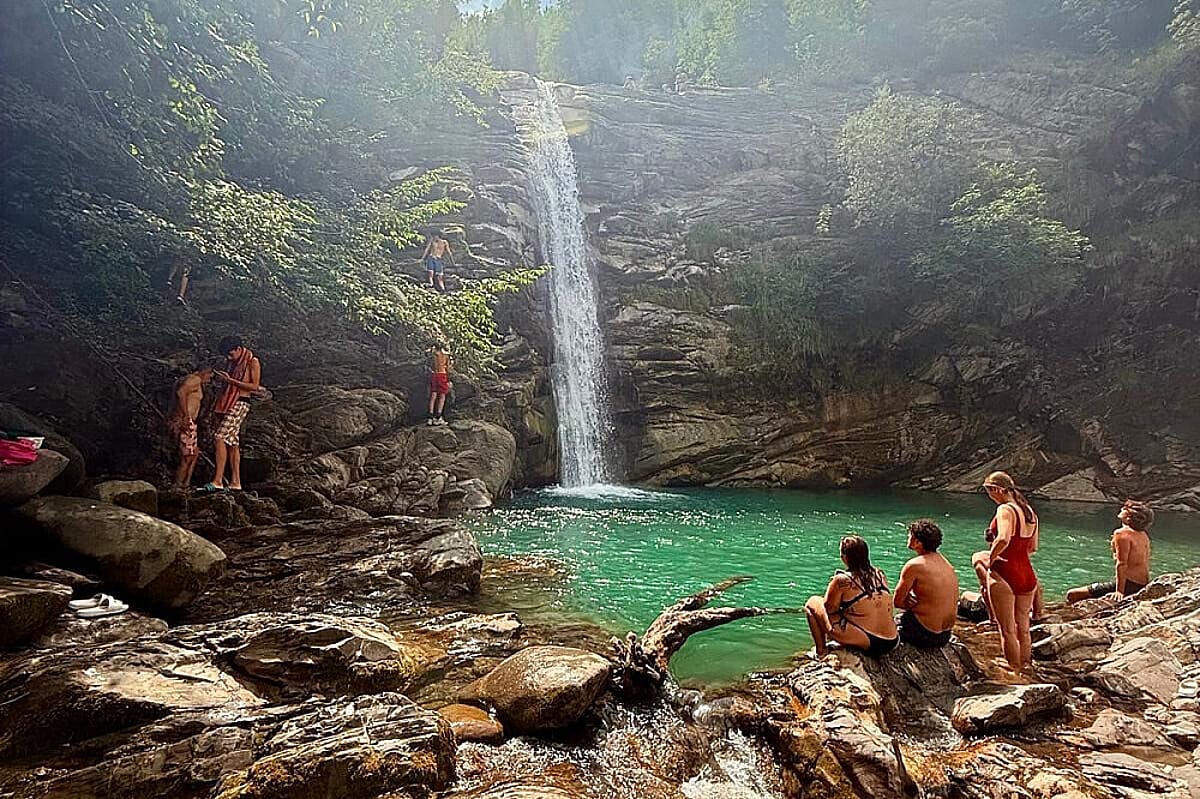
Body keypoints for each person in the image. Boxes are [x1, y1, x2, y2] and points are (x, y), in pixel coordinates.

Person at [981, 471, 1040, 673]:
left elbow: (1004, 538)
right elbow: (1032, 548)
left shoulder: (1005, 509)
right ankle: (1026, 665)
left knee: (1006, 629)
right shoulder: (1030, 512)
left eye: (988, 491)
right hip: (1026, 573)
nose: (989, 496)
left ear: (997, 490)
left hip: (1004, 571)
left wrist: (991, 558)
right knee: (1023, 625)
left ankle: (1013, 670)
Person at [804, 535, 899, 658]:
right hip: (892, 640)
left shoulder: (842, 580)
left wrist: (833, 586)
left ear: (845, 557)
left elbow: (829, 609)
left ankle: (821, 652)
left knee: (812, 603)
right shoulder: (879, 574)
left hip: (870, 641)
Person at [200, 336, 261, 492]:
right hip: (229, 403)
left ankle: (218, 480)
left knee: (219, 438)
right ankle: (236, 482)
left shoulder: (252, 362)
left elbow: (254, 386)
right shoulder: (232, 364)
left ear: (239, 349)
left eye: (231, 354)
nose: (229, 357)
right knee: (233, 444)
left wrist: (231, 381)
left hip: (241, 403)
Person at [1067, 500, 1154, 602]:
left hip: (1129, 584)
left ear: (1129, 517)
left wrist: (1119, 591)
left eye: (1125, 509)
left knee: (1072, 594)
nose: (1121, 509)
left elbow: (1121, 564)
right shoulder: (1143, 534)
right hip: (1141, 583)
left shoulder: (1121, 534)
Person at [894, 519, 959, 649]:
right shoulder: (946, 563)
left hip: (926, 634)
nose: (908, 537)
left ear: (918, 542)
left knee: (886, 625)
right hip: (945, 635)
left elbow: (897, 602)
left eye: (910, 535)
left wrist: (909, 602)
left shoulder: (915, 565)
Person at [167, 367, 213, 490]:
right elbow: (181, 393)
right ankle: (177, 486)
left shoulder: (193, 380)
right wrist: (186, 417)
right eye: (210, 374)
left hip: (190, 423)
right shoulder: (195, 379)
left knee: (194, 453)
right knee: (186, 457)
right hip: (186, 421)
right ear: (204, 371)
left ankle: (185, 484)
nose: (210, 378)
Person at [427, 342, 453, 426]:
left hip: (435, 375)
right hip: (442, 375)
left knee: (433, 396)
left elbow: (430, 363)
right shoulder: (446, 356)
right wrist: (449, 380)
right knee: (442, 396)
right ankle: (438, 417)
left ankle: (430, 417)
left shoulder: (434, 355)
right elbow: (448, 368)